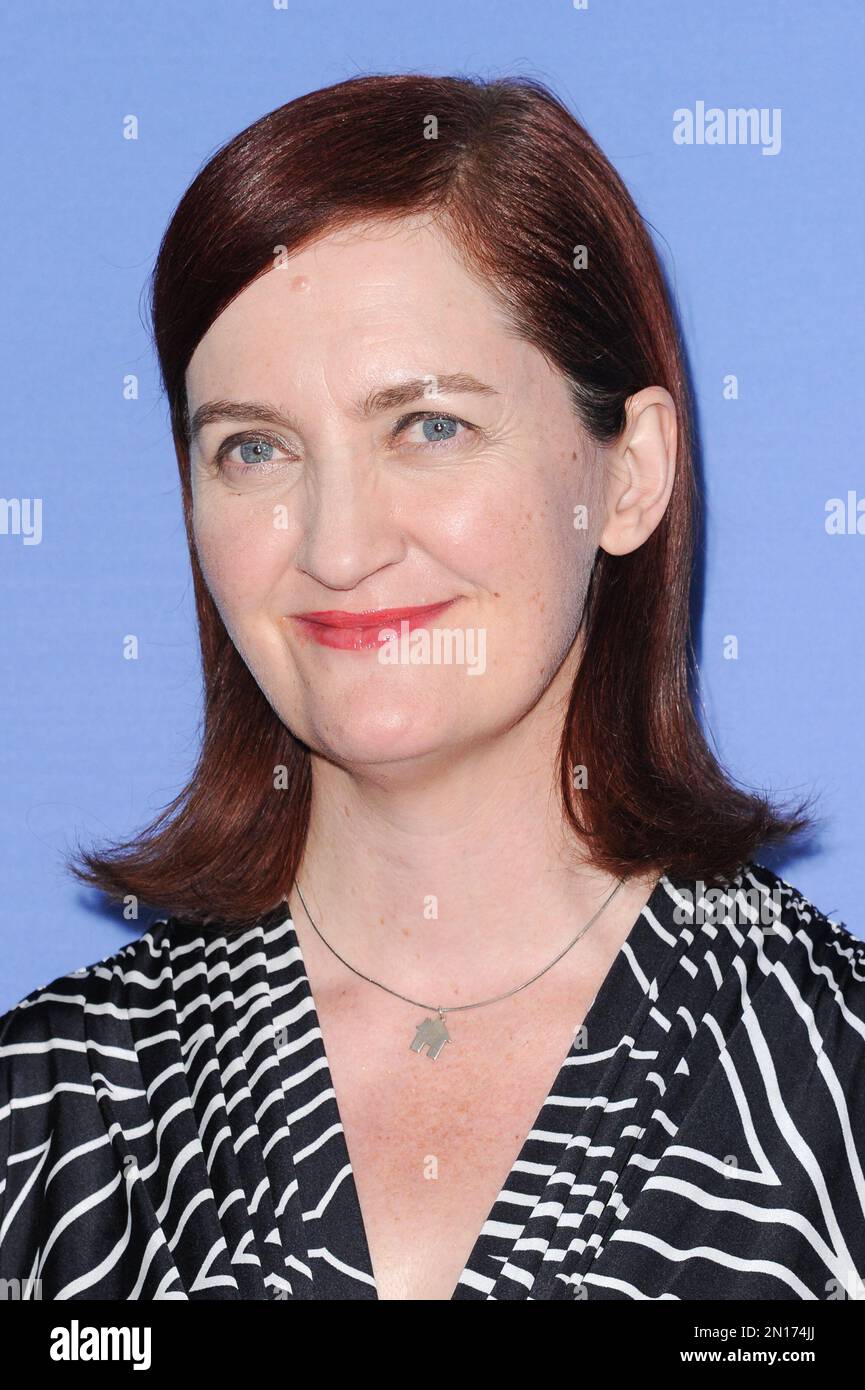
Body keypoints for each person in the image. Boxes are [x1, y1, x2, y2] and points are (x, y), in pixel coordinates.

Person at [1, 73, 863, 1302]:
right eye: (255, 447)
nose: (337, 546)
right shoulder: (50, 1109)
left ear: (629, 475)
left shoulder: (833, 1081)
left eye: (429, 427)